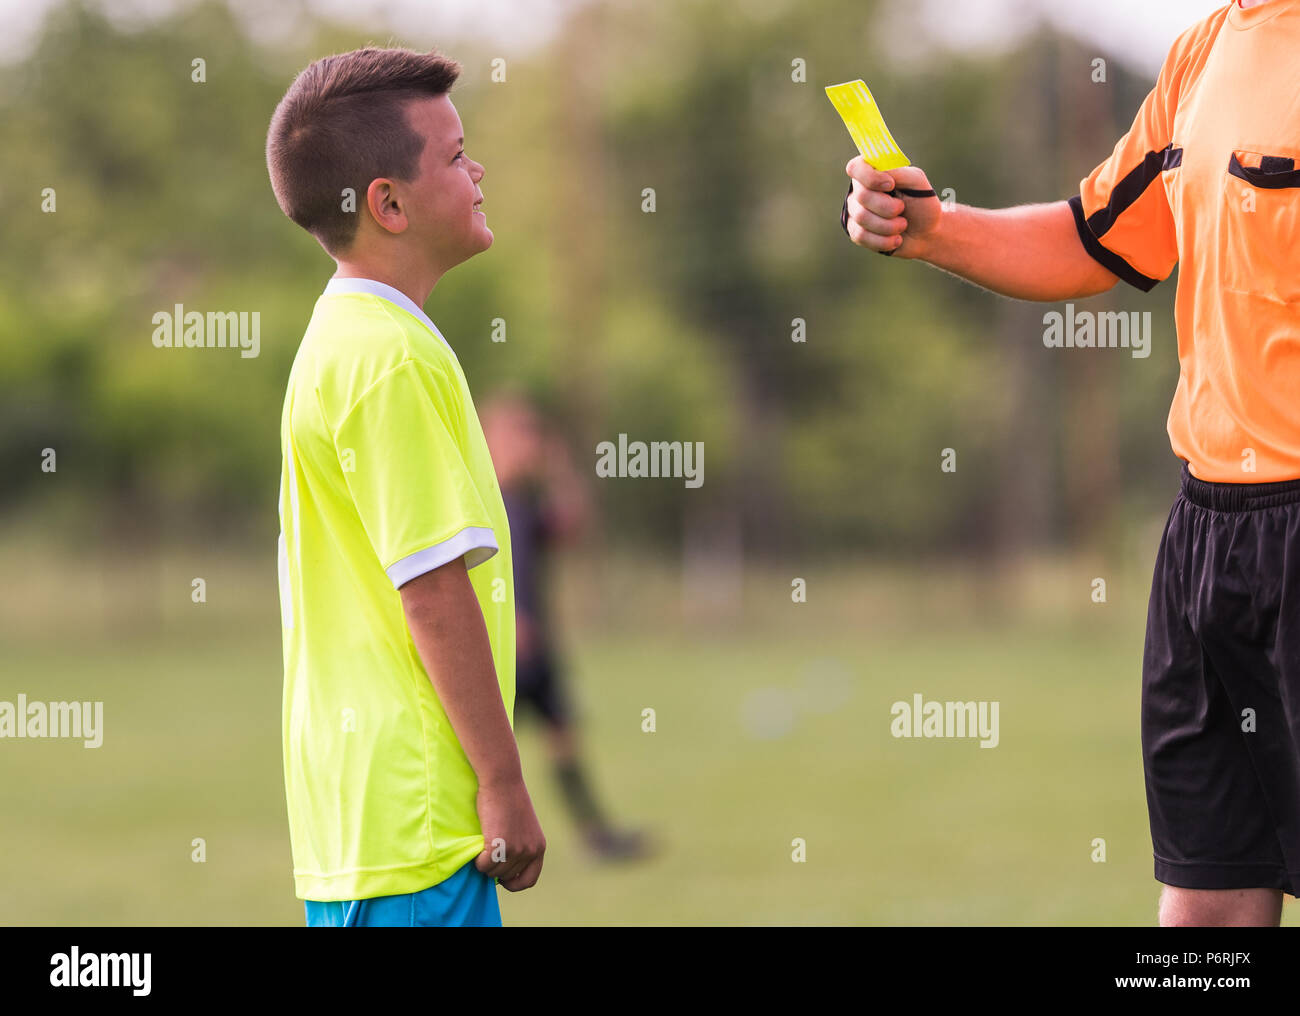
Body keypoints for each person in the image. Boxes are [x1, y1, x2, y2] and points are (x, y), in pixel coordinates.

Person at [841, 0, 1300, 927]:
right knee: (1204, 907)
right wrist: (935, 229)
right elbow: (1094, 235)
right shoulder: (1206, 50)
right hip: (1207, 534)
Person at [267, 47, 544, 927]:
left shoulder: (341, 338)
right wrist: (502, 783)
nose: (478, 170)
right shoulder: (389, 357)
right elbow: (430, 586)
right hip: (418, 826)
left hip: (361, 829)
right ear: (386, 203)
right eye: (458, 156)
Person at [480, 394, 653, 861]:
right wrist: (511, 617)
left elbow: (572, 525)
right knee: (485, 753)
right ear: (490, 438)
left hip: (538, 648)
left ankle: (598, 838)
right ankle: (479, 844)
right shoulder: (480, 497)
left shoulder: (523, 502)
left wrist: (559, 468)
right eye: (518, 433)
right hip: (503, 650)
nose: (527, 444)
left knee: (564, 739)